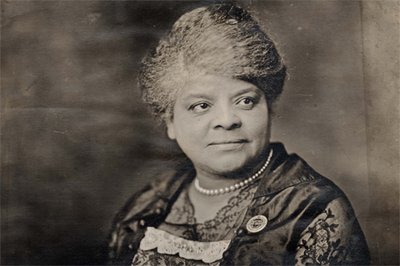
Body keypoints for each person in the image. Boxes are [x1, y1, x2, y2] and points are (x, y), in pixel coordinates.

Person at [108, 3, 369, 265]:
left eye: (245, 101)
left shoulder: (314, 209)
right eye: (201, 106)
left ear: (269, 107)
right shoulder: (147, 205)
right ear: (171, 122)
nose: (227, 120)